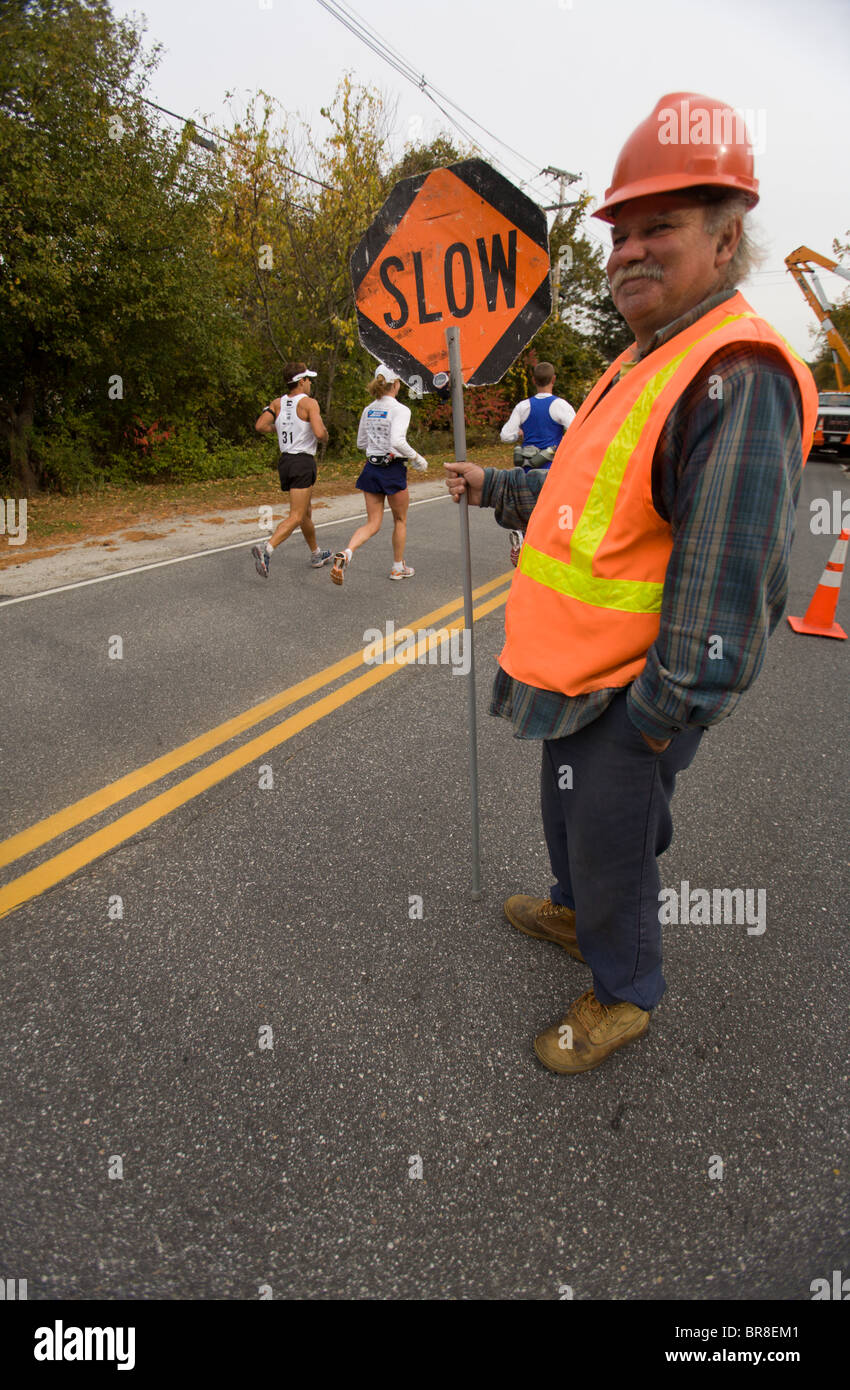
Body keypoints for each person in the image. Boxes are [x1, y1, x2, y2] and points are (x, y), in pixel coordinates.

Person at [444, 92, 817, 1076]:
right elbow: (584, 492)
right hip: (572, 679)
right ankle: (575, 914)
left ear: (725, 239)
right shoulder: (643, 360)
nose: (628, 251)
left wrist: (657, 717)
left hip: (628, 691)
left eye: (660, 227)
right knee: (570, 819)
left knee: (610, 840)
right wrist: (494, 486)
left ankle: (621, 994)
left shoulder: (734, 370)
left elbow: (726, 577)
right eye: (618, 233)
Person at [331, 364, 428, 585]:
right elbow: (397, 442)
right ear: (396, 384)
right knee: (400, 520)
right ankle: (396, 567)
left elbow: (360, 443)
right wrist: (417, 459)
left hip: (371, 469)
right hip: (392, 470)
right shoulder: (401, 410)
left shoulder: (368, 409)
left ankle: (347, 552)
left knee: (373, 523)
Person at [251, 362, 332, 577]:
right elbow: (318, 432)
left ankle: (316, 554)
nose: (311, 383)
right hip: (302, 462)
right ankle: (266, 549)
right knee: (297, 515)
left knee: (305, 512)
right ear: (301, 381)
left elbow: (260, 426)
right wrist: (325, 435)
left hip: (285, 461)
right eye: (308, 380)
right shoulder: (309, 404)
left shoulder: (277, 403)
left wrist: (278, 429)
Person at [500, 363, 576, 568]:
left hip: (527, 470)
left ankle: (524, 542)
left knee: (530, 513)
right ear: (554, 379)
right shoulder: (561, 406)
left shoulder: (523, 407)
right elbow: (577, 431)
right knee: (552, 513)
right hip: (552, 470)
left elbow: (505, 435)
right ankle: (549, 556)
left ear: (533, 381)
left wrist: (519, 434)